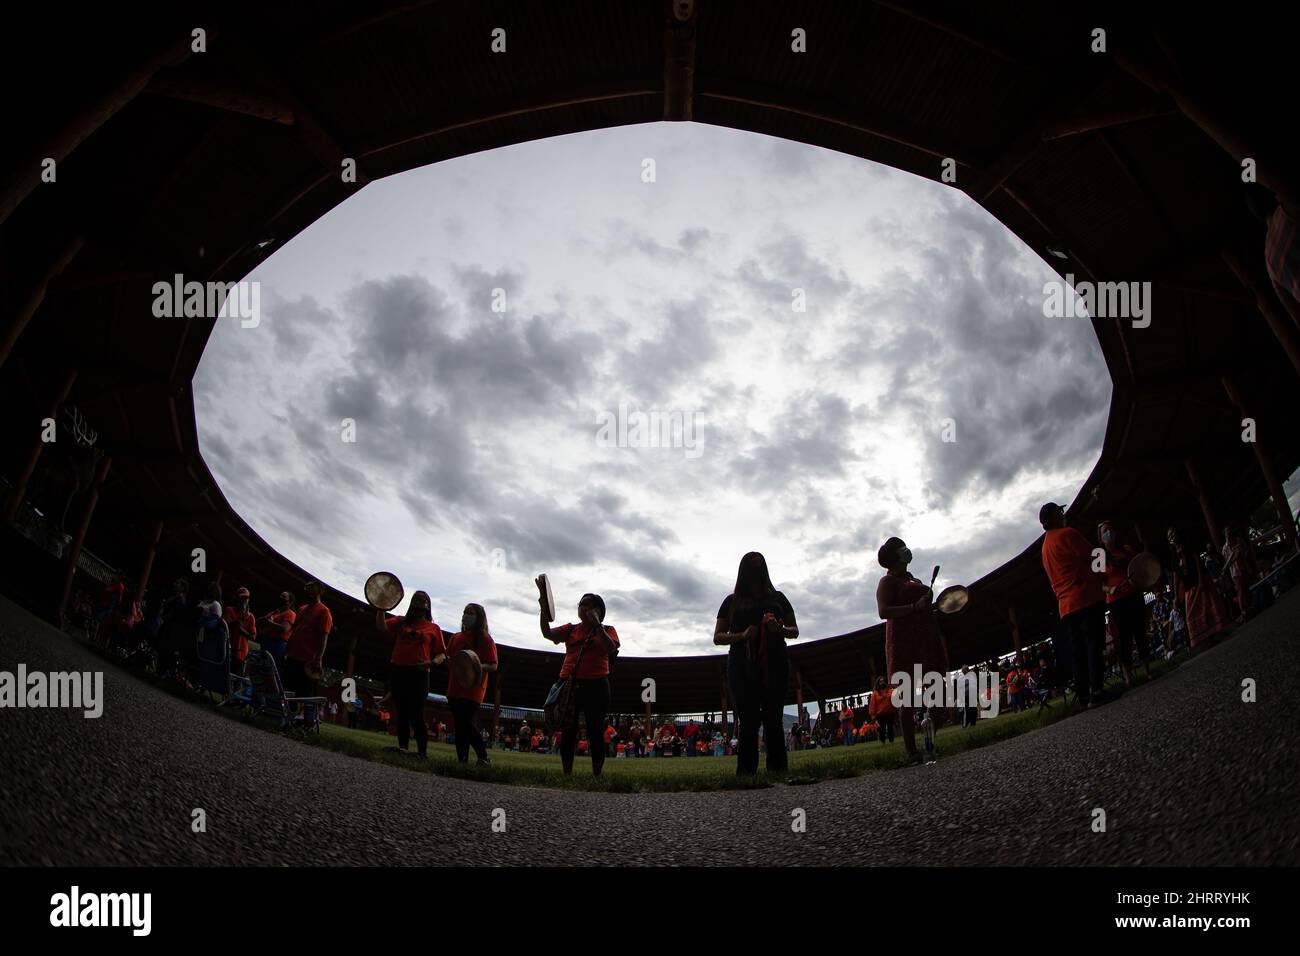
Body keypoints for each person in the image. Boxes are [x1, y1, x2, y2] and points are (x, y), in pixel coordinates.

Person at [714, 552, 800, 776]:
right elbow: (718, 636)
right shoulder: (731, 601)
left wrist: (778, 629)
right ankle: (746, 772)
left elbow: (794, 631)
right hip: (742, 663)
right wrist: (742, 635)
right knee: (749, 718)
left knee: (773, 716)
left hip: (776, 661)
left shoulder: (779, 597)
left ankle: (778, 769)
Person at [537, 580, 620, 776]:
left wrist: (597, 625)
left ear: (598, 610)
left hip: (597, 684)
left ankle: (597, 775)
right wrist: (543, 610)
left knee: (595, 730)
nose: (582, 608)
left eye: (587, 605)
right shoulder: (571, 629)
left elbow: (611, 648)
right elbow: (547, 633)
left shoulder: (608, 630)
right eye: (580, 605)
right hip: (569, 684)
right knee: (568, 730)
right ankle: (567, 773)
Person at [875, 536, 948, 762]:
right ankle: (911, 751)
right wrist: (914, 607)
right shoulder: (886, 582)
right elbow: (884, 611)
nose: (907, 550)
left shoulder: (912, 579)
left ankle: (929, 740)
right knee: (906, 699)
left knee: (938, 695)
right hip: (902, 643)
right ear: (895, 555)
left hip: (924, 640)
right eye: (901, 548)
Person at [1038, 503, 1108, 709]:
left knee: (1078, 652)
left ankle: (1084, 695)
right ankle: (1097, 691)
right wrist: (1104, 574)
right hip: (1085, 598)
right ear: (1054, 517)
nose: (1064, 515)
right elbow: (1094, 556)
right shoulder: (1067, 534)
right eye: (1060, 512)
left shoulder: (1045, 548)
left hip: (1066, 607)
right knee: (1094, 646)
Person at [375, 590, 445, 759]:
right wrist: (381, 607)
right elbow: (381, 626)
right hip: (399, 670)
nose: (419, 602)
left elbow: (442, 654)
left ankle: (422, 753)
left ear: (428, 606)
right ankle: (403, 748)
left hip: (419, 674)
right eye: (416, 599)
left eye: (423, 600)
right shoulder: (400, 621)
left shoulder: (433, 628)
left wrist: (432, 662)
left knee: (417, 714)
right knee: (402, 713)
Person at [1098, 520, 1151, 685]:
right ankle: (1128, 676)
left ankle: (1148, 670)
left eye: (1111, 529)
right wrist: (1110, 589)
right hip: (1116, 602)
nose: (1110, 532)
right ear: (1100, 538)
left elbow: (1139, 567)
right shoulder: (1098, 556)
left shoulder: (1127, 549)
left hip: (1133, 596)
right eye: (1105, 531)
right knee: (1124, 638)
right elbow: (1097, 584)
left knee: (1140, 633)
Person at [445, 602, 498, 765]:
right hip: (454, 687)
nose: (466, 616)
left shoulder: (486, 640)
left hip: (473, 689)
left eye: (470, 613)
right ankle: (462, 760)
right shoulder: (456, 637)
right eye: (465, 612)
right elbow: (449, 658)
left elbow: (493, 665)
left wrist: (476, 666)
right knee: (459, 725)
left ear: (479, 618)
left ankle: (483, 756)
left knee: (466, 722)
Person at [1167, 526, 1229, 648]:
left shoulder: (1188, 547)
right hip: (1188, 587)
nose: (1172, 537)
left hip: (1199, 582)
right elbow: (1176, 577)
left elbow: (1197, 562)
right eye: (1169, 536)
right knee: (1191, 614)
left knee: (1207, 608)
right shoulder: (1174, 558)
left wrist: (1201, 580)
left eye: (1173, 534)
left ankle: (1214, 634)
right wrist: (1175, 595)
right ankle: (1203, 638)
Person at [285, 581, 333, 698]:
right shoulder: (301, 609)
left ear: (320, 591)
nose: (308, 589)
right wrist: (287, 650)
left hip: (308, 660)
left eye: (312, 587)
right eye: (307, 586)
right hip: (293, 656)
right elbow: (295, 631)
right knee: (288, 688)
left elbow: (324, 635)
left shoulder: (324, 611)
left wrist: (318, 659)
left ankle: (307, 716)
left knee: (306, 693)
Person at [222, 587, 257, 680]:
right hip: (227, 649)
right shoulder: (229, 610)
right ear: (237, 598)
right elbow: (225, 626)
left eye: (246, 599)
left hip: (241, 653)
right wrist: (241, 617)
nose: (244, 601)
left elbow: (253, 636)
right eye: (242, 598)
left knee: (237, 679)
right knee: (225, 675)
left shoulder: (251, 617)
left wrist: (242, 630)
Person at [258, 590, 296, 675]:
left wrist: (270, 623)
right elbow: (261, 621)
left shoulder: (291, 614)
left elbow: (285, 629)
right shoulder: (275, 612)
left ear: (290, 601)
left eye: (284, 597)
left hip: (278, 645)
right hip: (266, 642)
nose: (281, 598)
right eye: (281, 596)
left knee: (273, 670)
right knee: (262, 668)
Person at [868, 676, 896, 744]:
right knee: (882, 729)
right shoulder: (875, 693)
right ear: (878, 683)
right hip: (880, 714)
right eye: (880, 681)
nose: (882, 682)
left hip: (890, 712)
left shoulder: (890, 690)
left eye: (883, 681)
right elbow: (872, 705)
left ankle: (891, 741)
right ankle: (882, 741)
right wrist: (872, 715)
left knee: (890, 728)